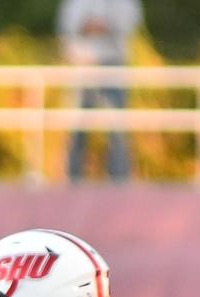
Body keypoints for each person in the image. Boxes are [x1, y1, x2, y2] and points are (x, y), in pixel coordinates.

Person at [58, 0, 140, 182]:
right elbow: (68, 23)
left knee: (117, 126)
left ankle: (119, 179)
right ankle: (73, 177)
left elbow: (128, 23)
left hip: (113, 62)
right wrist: (91, 27)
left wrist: (103, 26)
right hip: (82, 64)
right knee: (77, 125)